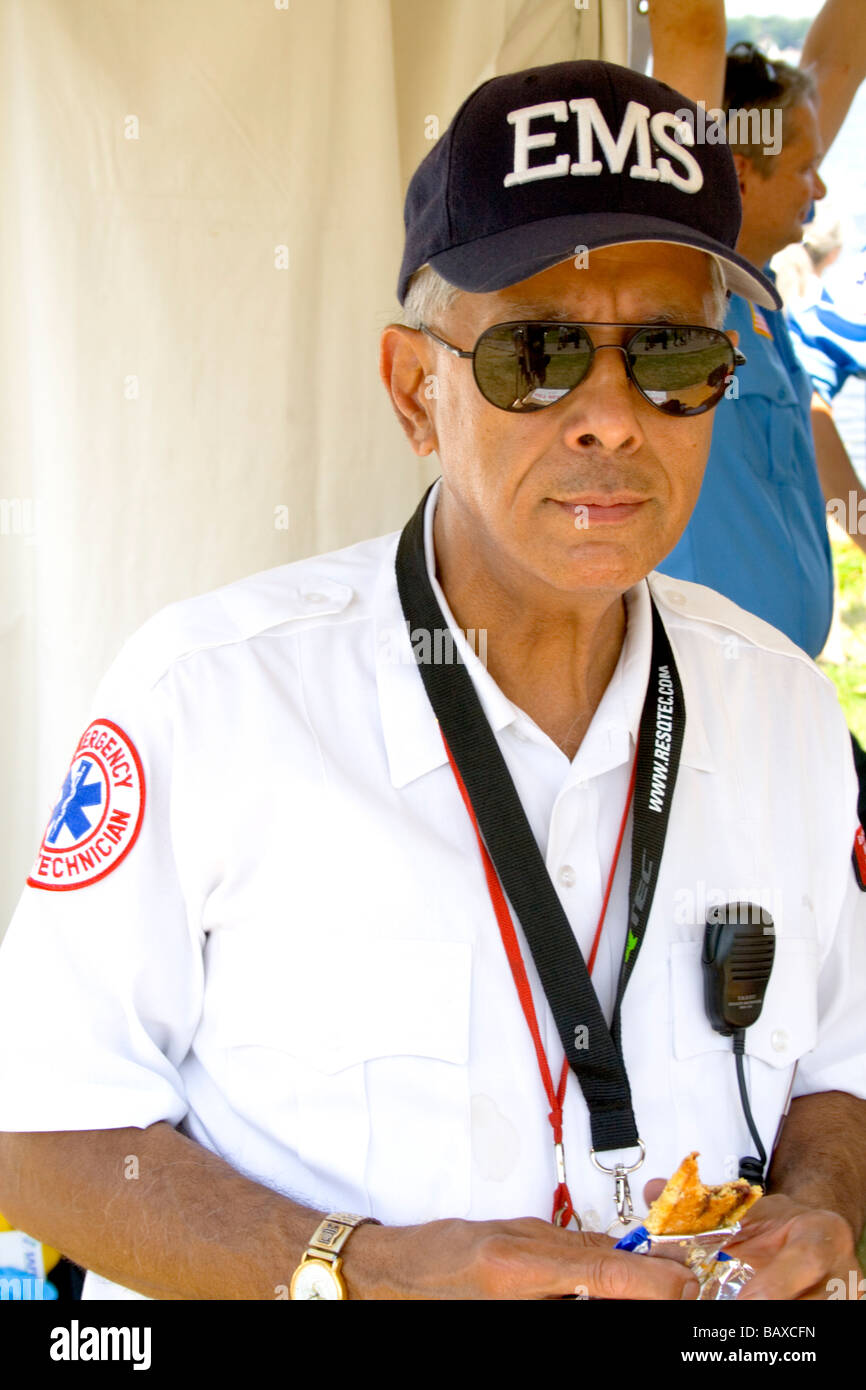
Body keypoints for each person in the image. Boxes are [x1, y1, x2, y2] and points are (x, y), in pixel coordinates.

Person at [0, 59, 864, 1303]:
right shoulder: (208, 699)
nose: (611, 418)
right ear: (417, 391)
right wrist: (354, 1271)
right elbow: (39, 1130)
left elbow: (838, 1067)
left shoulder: (782, 710)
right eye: (537, 353)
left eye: (668, 352)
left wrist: (818, 1208)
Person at [649, 3, 866, 651]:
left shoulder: (760, 298)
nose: (820, 189)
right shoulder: (688, 281)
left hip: (778, 683)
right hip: (700, 684)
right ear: (739, 173)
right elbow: (691, 28)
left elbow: (840, 64)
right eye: (804, 168)